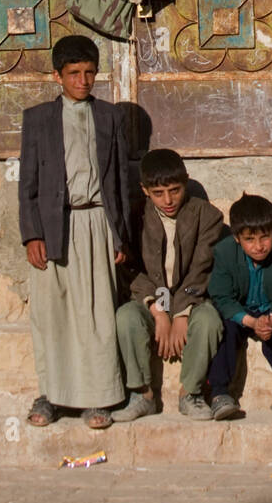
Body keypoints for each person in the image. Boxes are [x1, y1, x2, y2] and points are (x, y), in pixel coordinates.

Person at [19, 34, 132, 430]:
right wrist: (32, 234)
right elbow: (28, 183)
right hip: (53, 227)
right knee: (53, 316)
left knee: (97, 313)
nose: (83, 81)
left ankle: (99, 397)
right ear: (57, 76)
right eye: (74, 74)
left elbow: (119, 178)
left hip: (96, 222)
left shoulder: (110, 116)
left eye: (89, 73)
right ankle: (52, 395)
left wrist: (120, 235)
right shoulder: (37, 119)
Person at [114, 149, 224, 421]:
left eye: (175, 190)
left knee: (209, 321)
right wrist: (159, 311)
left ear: (186, 182)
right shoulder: (134, 218)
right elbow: (134, 270)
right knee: (126, 317)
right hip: (153, 300)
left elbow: (202, 269)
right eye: (158, 193)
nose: (168, 200)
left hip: (192, 299)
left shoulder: (208, 216)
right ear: (145, 190)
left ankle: (191, 393)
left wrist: (182, 314)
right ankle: (142, 394)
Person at [207, 194, 272, 421]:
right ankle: (220, 394)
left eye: (265, 237)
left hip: (270, 312)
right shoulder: (224, 252)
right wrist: (249, 321)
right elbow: (222, 296)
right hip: (239, 311)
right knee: (223, 328)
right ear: (237, 238)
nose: (259, 246)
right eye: (250, 239)